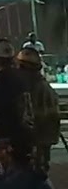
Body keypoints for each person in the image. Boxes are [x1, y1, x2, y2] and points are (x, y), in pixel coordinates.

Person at [14, 46, 62, 174]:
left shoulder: (39, 90)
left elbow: (37, 117)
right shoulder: (37, 87)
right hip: (40, 138)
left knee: (36, 171)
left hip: (38, 139)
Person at [0, 38, 35, 159]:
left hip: (9, 135)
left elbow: (2, 110)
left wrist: (3, 139)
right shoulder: (22, 76)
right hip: (26, 133)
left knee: (9, 167)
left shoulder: (0, 79)